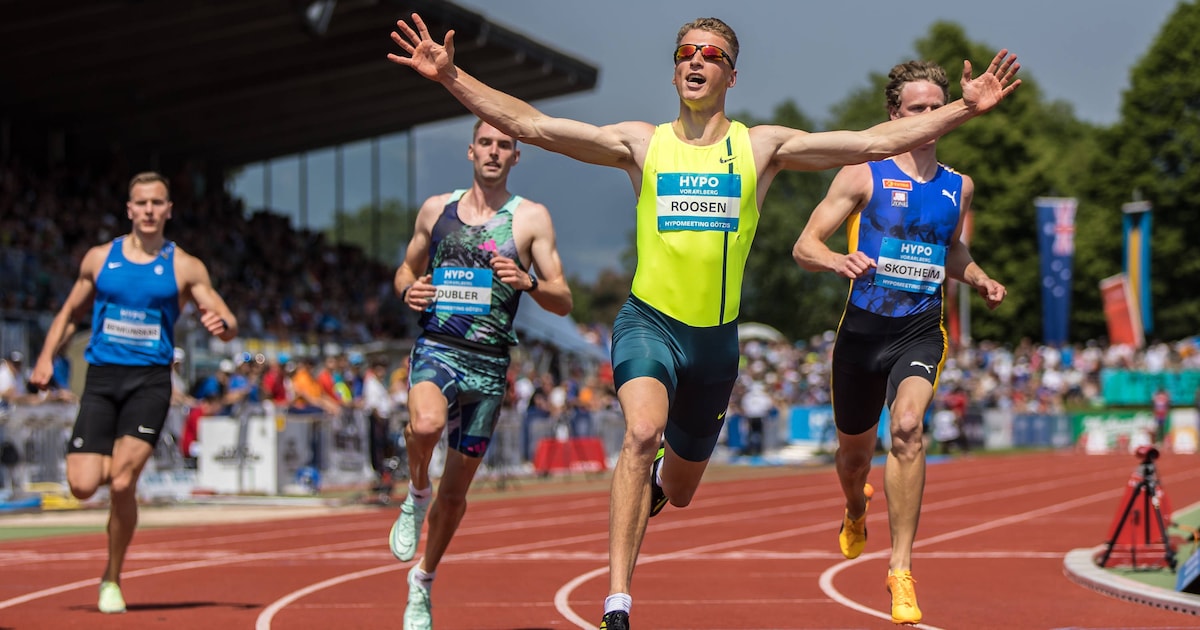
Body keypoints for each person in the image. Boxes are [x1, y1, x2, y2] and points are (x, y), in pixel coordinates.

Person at [388, 15, 1019, 629]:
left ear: (731, 75)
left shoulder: (760, 147)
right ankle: (617, 603)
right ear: (674, 72)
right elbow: (532, 124)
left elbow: (874, 143)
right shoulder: (642, 143)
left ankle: (666, 481)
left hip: (714, 344)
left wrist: (964, 110)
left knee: (682, 489)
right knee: (640, 433)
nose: (696, 60)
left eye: (711, 54)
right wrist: (451, 77)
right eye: (686, 52)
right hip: (648, 322)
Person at [792, 60, 1009, 624]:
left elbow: (950, 249)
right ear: (895, 115)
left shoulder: (958, 186)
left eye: (937, 107)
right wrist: (836, 260)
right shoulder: (862, 174)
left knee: (909, 428)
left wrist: (979, 277)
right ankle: (853, 506)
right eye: (917, 108)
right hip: (862, 333)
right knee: (853, 459)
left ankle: (900, 569)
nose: (929, 117)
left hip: (919, 328)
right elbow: (804, 245)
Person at [386, 118, 573, 630]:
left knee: (455, 494)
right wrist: (408, 290)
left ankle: (423, 581)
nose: (494, 151)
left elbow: (563, 298)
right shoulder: (436, 209)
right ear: (470, 151)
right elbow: (406, 268)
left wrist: (529, 283)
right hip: (438, 346)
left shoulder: (530, 218)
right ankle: (415, 494)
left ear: (516, 156)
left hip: (489, 365)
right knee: (425, 426)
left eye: (504, 145)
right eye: (486, 143)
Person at [28, 171, 238, 614]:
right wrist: (45, 358)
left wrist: (221, 326)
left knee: (123, 483)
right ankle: (112, 462)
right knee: (82, 486)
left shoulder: (185, 266)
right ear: (129, 209)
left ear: (168, 210)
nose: (148, 210)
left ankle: (111, 577)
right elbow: (69, 312)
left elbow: (226, 320)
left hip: (150, 382)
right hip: (102, 378)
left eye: (157, 203)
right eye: (141, 203)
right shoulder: (99, 258)